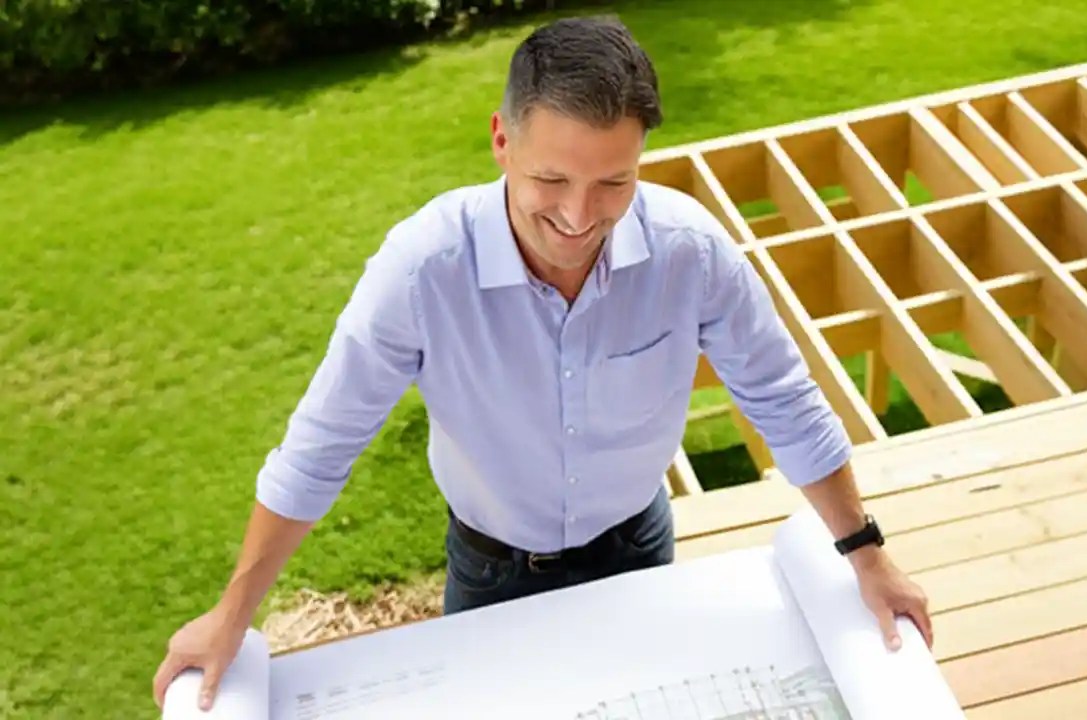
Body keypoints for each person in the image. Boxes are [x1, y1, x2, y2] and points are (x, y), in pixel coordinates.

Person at [152, 14, 931, 713]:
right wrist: (233, 616)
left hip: (639, 553)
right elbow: (320, 449)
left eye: (614, 182)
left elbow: (784, 402)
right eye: (551, 179)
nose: (579, 215)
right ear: (501, 139)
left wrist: (868, 556)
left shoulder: (690, 253)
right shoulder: (424, 269)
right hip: (491, 574)